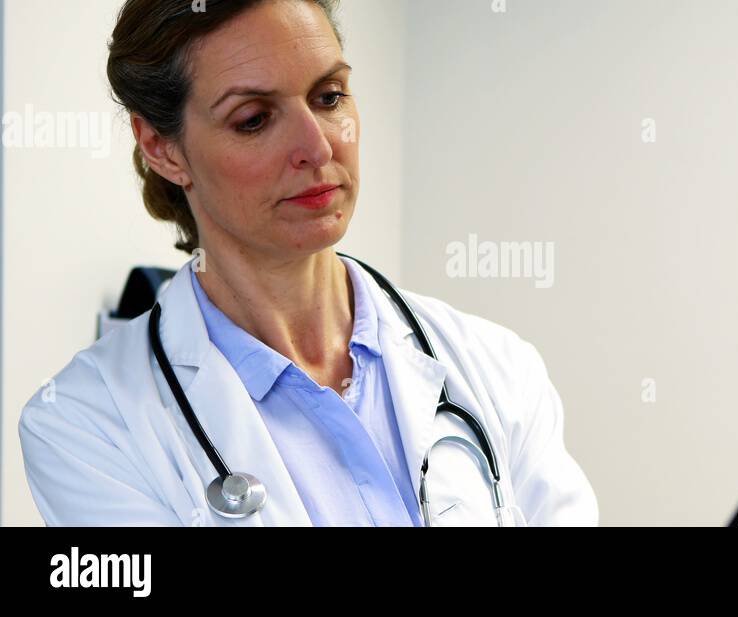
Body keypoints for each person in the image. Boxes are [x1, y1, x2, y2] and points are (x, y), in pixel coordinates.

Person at [18, 0, 598, 526]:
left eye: (329, 98)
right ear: (162, 148)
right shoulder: (85, 424)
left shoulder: (498, 369)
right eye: (254, 119)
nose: (318, 147)